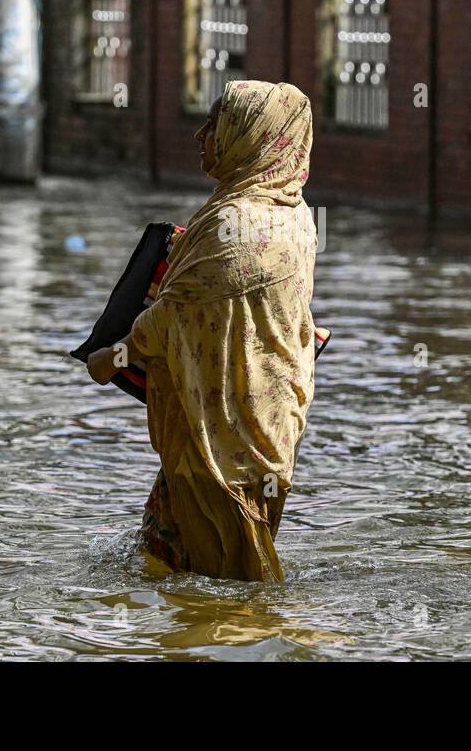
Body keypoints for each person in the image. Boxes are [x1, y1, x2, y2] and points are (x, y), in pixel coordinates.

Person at [86, 81, 318, 582]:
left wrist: (109, 360)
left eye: (214, 124)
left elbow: (167, 320)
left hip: (217, 437)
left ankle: (225, 641)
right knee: (216, 560)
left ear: (249, 134)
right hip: (268, 431)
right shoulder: (295, 216)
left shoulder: (234, 222)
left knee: (204, 571)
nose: (200, 135)